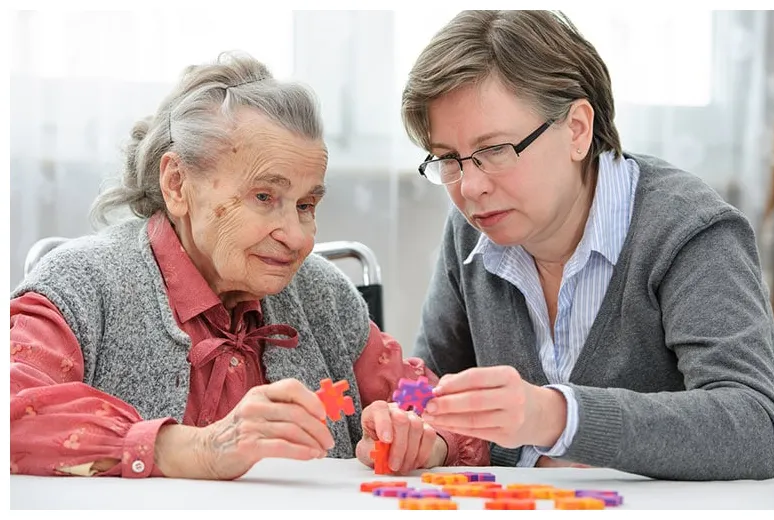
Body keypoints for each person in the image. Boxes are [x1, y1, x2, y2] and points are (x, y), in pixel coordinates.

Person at [10, 51, 489, 480]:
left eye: (306, 205)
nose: (298, 237)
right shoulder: (81, 286)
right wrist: (194, 449)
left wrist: (424, 435)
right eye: (265, 197)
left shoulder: (324, 297)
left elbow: (428, 401)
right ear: (177, 184)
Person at [400, 10, 774, 480]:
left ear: (577, 129)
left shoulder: (689, 229)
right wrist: (412, 427)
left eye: (495, 150)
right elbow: (428, 386)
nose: (470, 188)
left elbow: (754, 426)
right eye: (449, 159)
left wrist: (554, 414)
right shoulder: (472, 229)